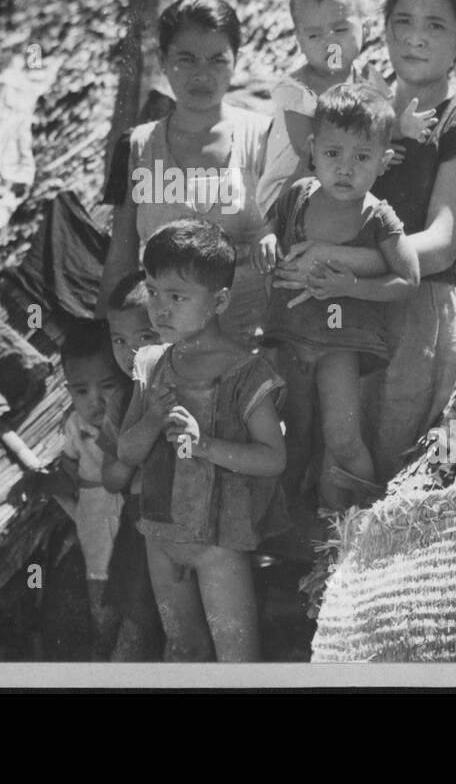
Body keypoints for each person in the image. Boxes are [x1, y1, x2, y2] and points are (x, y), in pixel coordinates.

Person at [274, 0, 456, 480]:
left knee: (377, 465)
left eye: (436, 25)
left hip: (413, 307)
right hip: (337, 301)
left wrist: (336, 257)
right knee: (321, 450)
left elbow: (443, 244)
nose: (415, 38)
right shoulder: (360, 111)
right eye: (403, 21)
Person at [117, 219, 287, 662]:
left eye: (177, 297)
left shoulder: (244, 373)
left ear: (220, 301)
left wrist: (206, 444)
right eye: (153, 291)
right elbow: (127, 453)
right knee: (182, 646)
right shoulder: (152, 364)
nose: (160, 309)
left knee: (237, 659)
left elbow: (273, 459)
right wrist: (153, 418)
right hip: (161, 538)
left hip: (219, 547)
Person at [255, 84, 420, 509]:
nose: (345, 169)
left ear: (383, 162)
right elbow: (270, 228)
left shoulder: (378, 218)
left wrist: (352, 287)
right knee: (294, 431)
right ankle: (295, 528)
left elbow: (410, 279)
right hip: (291, 335)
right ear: (312, 150)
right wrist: (267, 242)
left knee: (343, 438)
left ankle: (368, 518)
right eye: (333, 154)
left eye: (361, 158)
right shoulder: (298, 196)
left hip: (338, 344)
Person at [99, 0, 274, 345]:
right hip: (167, 343)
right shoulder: (137, 148)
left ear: (235, 61)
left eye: (217, 60)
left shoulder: (265, 138)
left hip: (253, 338)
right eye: (186, 59)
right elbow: (120, 256)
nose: (202, 74)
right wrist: (107, 338)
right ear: (163, 61)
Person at [255, 0, 432, 215]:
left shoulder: (368, 78)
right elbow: (310, 151)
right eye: (314, 35)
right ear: (300, 41)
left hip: (344, 179)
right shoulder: (296, 90)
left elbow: (383, 119)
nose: (329, 43)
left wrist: (400, 128)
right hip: (293, 190)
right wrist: (380, 143)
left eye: (339, 30)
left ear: (366, 30)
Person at [95, 271, 172, 661]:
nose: (131, 353)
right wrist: (131, 456)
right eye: (119, 341)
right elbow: (110, 477)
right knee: (129, 624)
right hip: (138, 525)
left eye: (145, 338)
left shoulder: (189, 389)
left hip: (183, 524)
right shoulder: (121, 401)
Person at [55, 327, 129, 659]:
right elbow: (68, 469)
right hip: (96, 532)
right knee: (101, 604)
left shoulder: (133, 424)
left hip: (133, 530)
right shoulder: (74, 427)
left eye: (108, 387)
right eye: (81, 391)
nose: (95, 401)